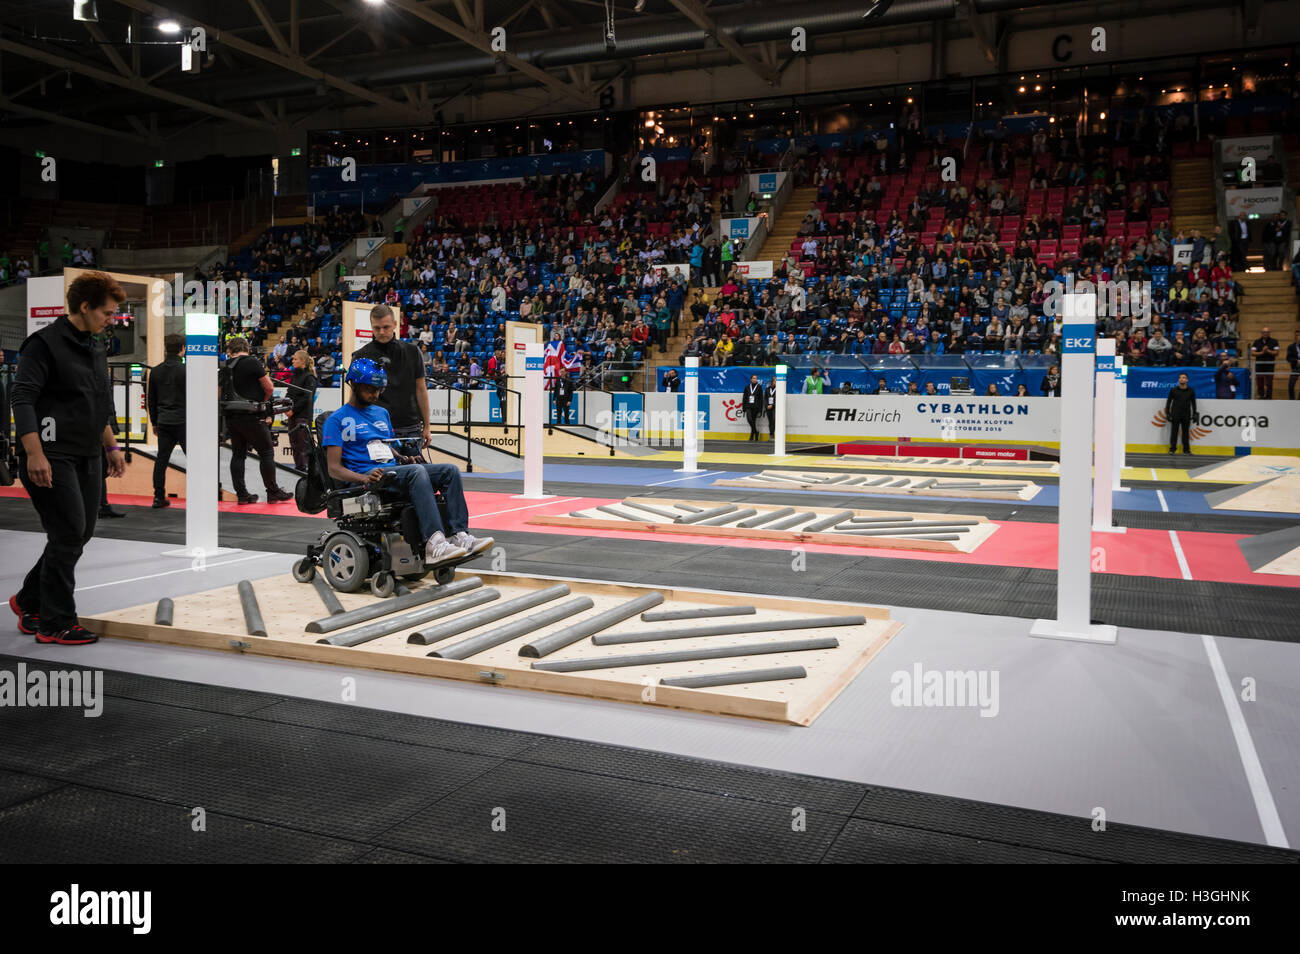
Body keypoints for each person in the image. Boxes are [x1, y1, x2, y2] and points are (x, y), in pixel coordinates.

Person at [9, 271, 127, 645]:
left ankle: (29, 600)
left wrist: (110, 445)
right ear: (84, 306)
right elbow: (22, 398)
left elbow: (99, 402)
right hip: (50, 455)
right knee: (68, 533)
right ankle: (55, 622)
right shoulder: (42, 345)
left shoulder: (95, 345)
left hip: (87, 453)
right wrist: (34, 454)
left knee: (80, 533)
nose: (111, 320)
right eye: (106, 313)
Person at [323, 358, 491, 567]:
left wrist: (401, 457)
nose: (375, 394)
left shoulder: (381, 413)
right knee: (416, 472)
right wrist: (364, 477)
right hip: (370, 478)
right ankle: (434, 544)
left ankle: (460, 535)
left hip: (394, 470)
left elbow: (383, 444)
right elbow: (334, 469)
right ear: (354, 384)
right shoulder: (336, 420)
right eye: (370, 389)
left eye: (379, 389)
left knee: (450, 471)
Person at [221, 336, 294, 505]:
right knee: (266, 452)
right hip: (251, 415)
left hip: (231, 416)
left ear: (231, 350)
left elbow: (218, 393)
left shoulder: (225, 366)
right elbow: (269, 387)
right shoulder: (252, 362)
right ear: (246, 348)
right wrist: (263, 400)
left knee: (238, 454)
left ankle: (242, 495)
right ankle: (273, 492)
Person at [353, 304, 431, 453]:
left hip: (411, 427)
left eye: (386, 327)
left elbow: (421, 389)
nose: (381, 332)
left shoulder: (413, 351)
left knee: (416, 473)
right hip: (374, 427)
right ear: (371, 326)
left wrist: (427, 426)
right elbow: (355, 395)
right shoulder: (361, 356)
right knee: (382, 476)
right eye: (376, 328)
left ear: (395, 325)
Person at [147, 333, 187, 508]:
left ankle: (158, 497)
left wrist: (154, 422)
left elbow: (151, 400)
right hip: (184, 421)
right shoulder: (187, 371)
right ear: (182, 349)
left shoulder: (155, 371)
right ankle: (199, 494)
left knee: (161, 460)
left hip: (163, 421)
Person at [287, 350, 319, 471]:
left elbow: (306, 398)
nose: (293, 361)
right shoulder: (294, 375)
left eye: (295, 359)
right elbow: (289, 393)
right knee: (294, 443)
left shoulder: (310, 377)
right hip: (292, 414)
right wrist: (287, 407)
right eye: (293, 359)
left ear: (303, 362)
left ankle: (305, 469)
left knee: (302, 444)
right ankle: (298, 467)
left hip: (303, 415)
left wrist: (293, 410)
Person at [1165, 372, 1196, 454]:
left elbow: (1193, 403)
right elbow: (1169, 402)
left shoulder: (1191, 390)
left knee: (1185, 433)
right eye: (1180, 377)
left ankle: (1186, 450)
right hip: (1175, 413)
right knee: (1174, 432)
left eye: (1183, 377)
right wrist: (1168, 413)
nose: (1181, 379)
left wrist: (1195, 413)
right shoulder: (1173, 390)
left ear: (1187, 380)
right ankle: (1172, 449)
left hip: (1186, 414)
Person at [1251, 327, 1279, 400]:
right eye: (1264, 332)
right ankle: (1261, 396)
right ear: (1261, 333)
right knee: (1260, 383)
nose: (1265, 333)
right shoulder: (1256, 341)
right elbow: (1253, 353)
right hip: (1259, 366)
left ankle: (1269, 397)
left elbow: (1276, 352)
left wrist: (1268, 351)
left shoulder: (1274, 341)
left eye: (1267, 332)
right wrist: (1262, 352)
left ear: (1269, 333)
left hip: (1270, 366)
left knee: (1269, 383)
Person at [742, 374, 763, 441]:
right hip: (748, 406)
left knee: (753, 421)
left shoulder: (759, 387)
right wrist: (744, 407)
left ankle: (752, 435)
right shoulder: (747, 387)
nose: (755, 379)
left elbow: (761, 399)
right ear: (751, 379)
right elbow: (744, 398)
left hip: (756, 407)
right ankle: (756, 432)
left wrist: (760, 409)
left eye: (756, 378)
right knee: (749, 420)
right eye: (753, 378)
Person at [1287, 331, 1300, 400]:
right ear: (1295, 337)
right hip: (1295, 368)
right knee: (1291, 385)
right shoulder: (1291, 347)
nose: (1299, 337)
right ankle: (1292, 400)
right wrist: (1296, 360)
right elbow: (1288, 358)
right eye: (1297, 335)